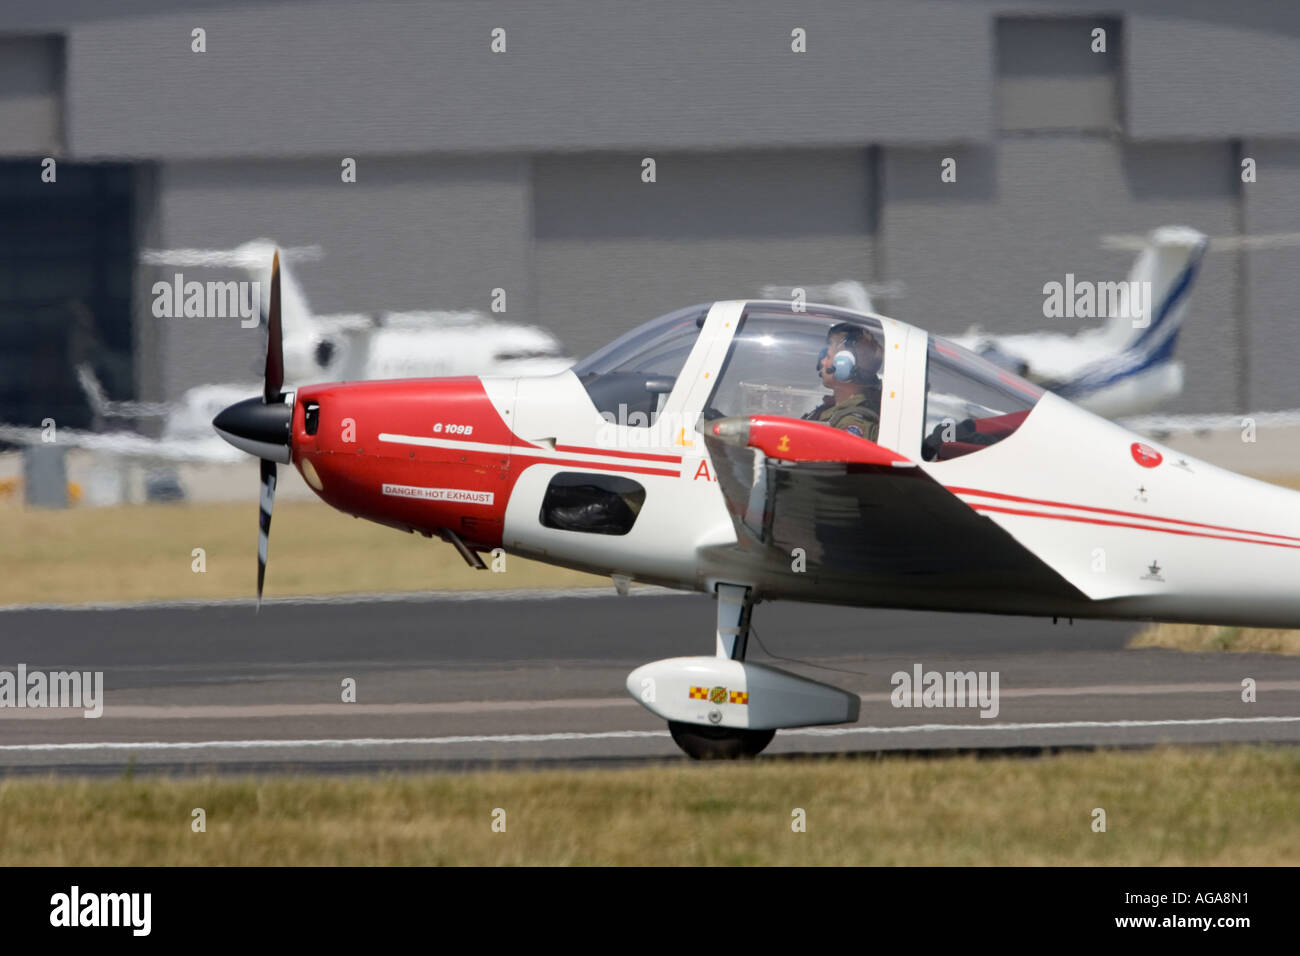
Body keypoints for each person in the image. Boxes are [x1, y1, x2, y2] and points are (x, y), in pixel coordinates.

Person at [802, 323, 883, 440]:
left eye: (828, 357)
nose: (823, 362)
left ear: (844, 366)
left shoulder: (852, 423)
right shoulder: (832, 410)